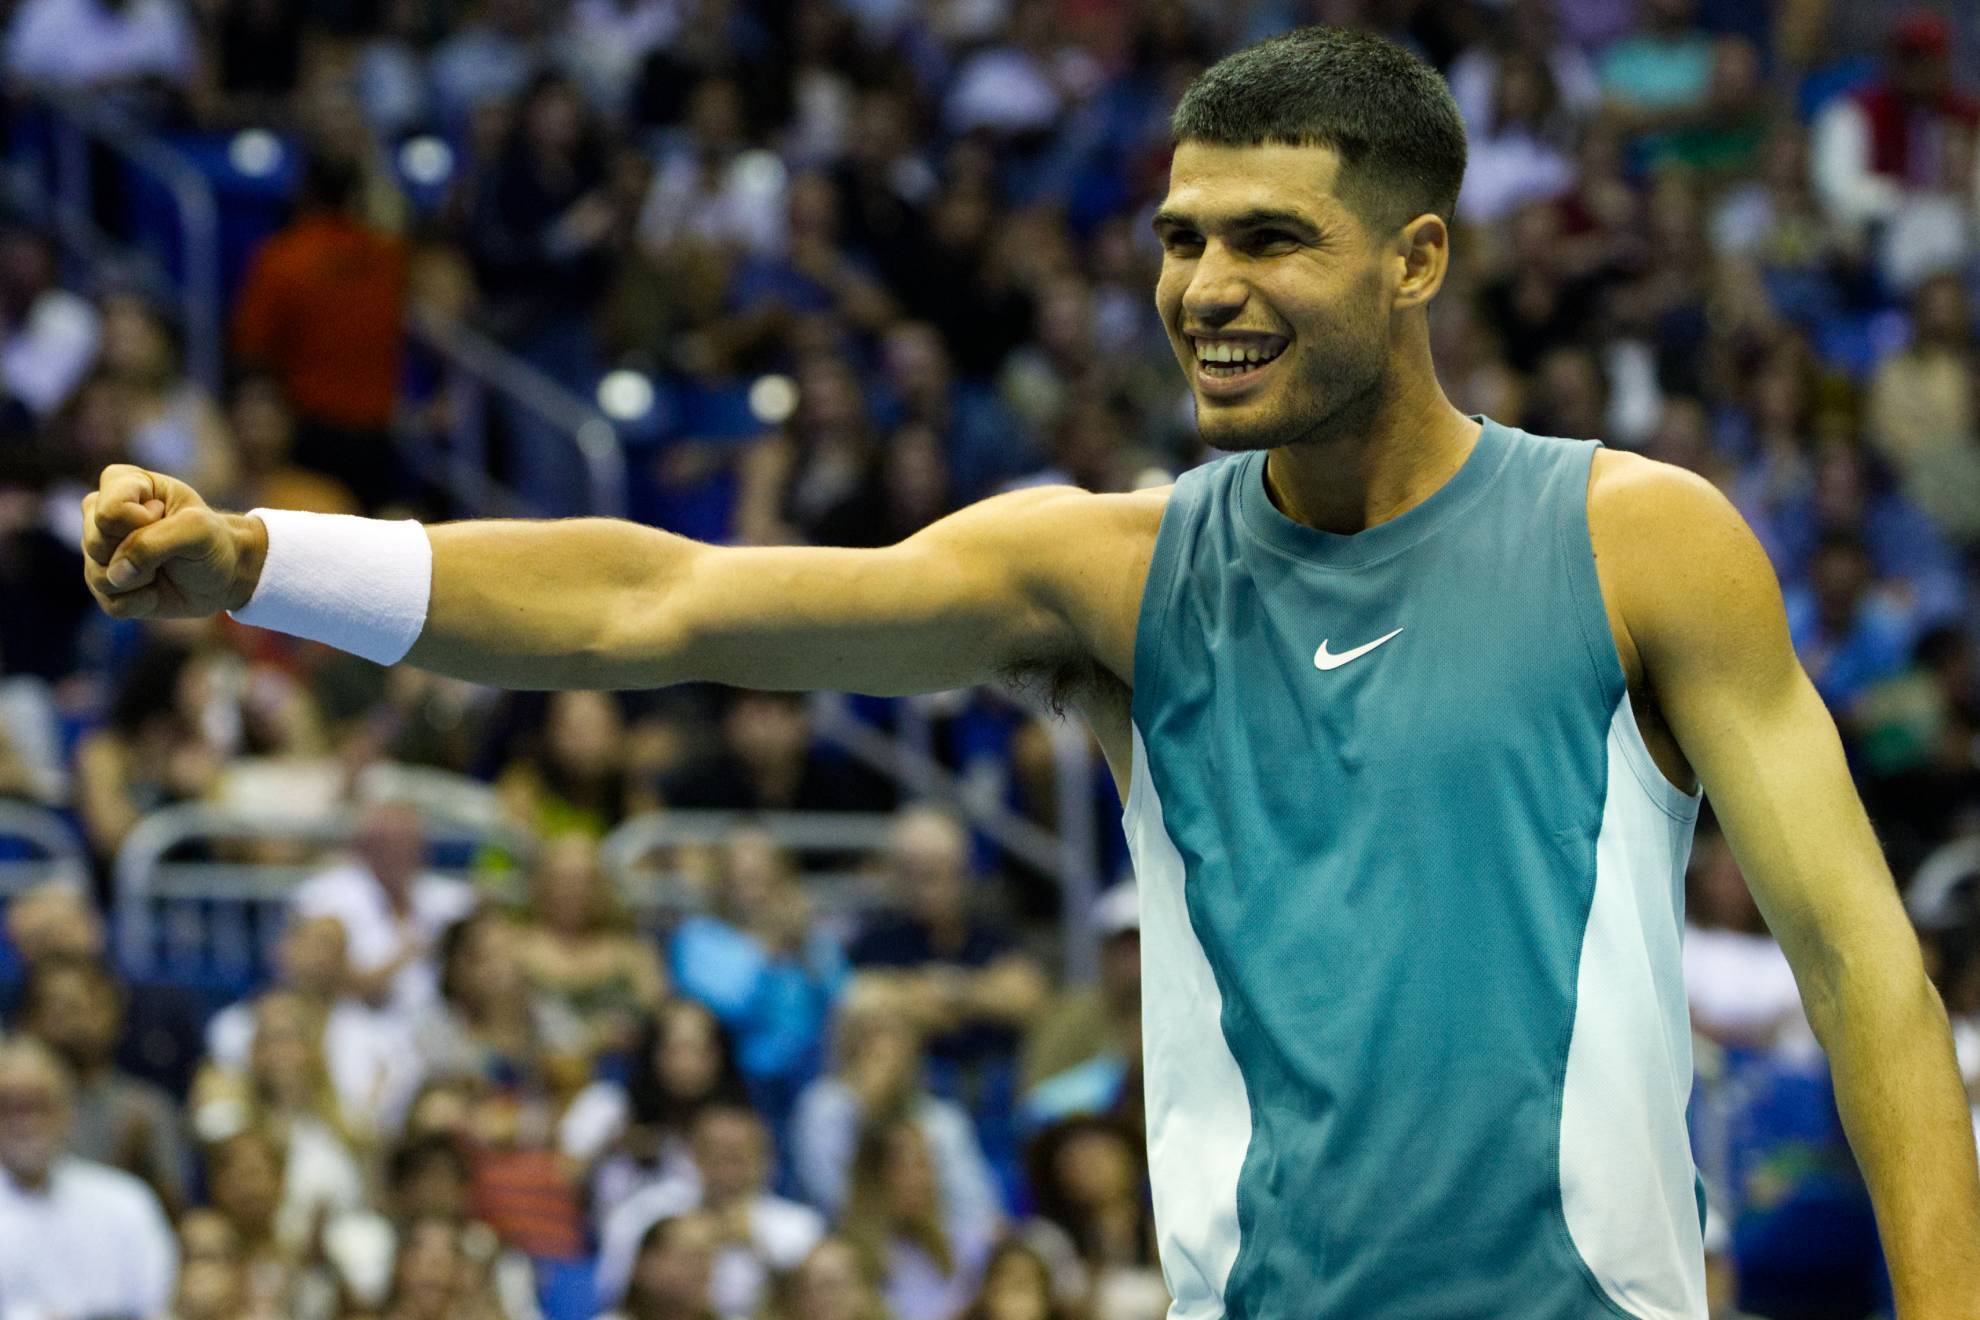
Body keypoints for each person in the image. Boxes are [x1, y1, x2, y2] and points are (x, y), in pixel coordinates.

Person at [79, 23, 1980, 1315]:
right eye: (1178, 237)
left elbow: (1869, 987)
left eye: (1269, 240)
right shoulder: (1106, 569)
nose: (1205, 284)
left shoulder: (1641, 539)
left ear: (1416, 263)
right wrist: (264, 562)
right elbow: (656, 603)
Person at [0, 1036, 178, 1316]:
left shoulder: (126, 1202)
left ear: (67, 1112)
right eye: (9, 1108)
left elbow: (159, 1308)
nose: (25, 1123)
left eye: (38, 1106)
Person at [596, 1101, 826, 1314]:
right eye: (717, 1156)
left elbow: (815, 1307)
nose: (728, 1172)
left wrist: (757, 1248)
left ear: (767, 1159)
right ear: (693, 1156)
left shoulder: (800, 1227)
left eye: (740, 1157)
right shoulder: (643, 1212)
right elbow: (611, 1288)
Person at [290, 798, 477, 1022]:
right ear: (365, 847)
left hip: (436, 1022)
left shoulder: (443, 896)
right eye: (388, 845)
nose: (400, 853)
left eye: (409, 844)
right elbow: (315, 975)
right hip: (353, 1022)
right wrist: (401, 959)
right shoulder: (326, 895)